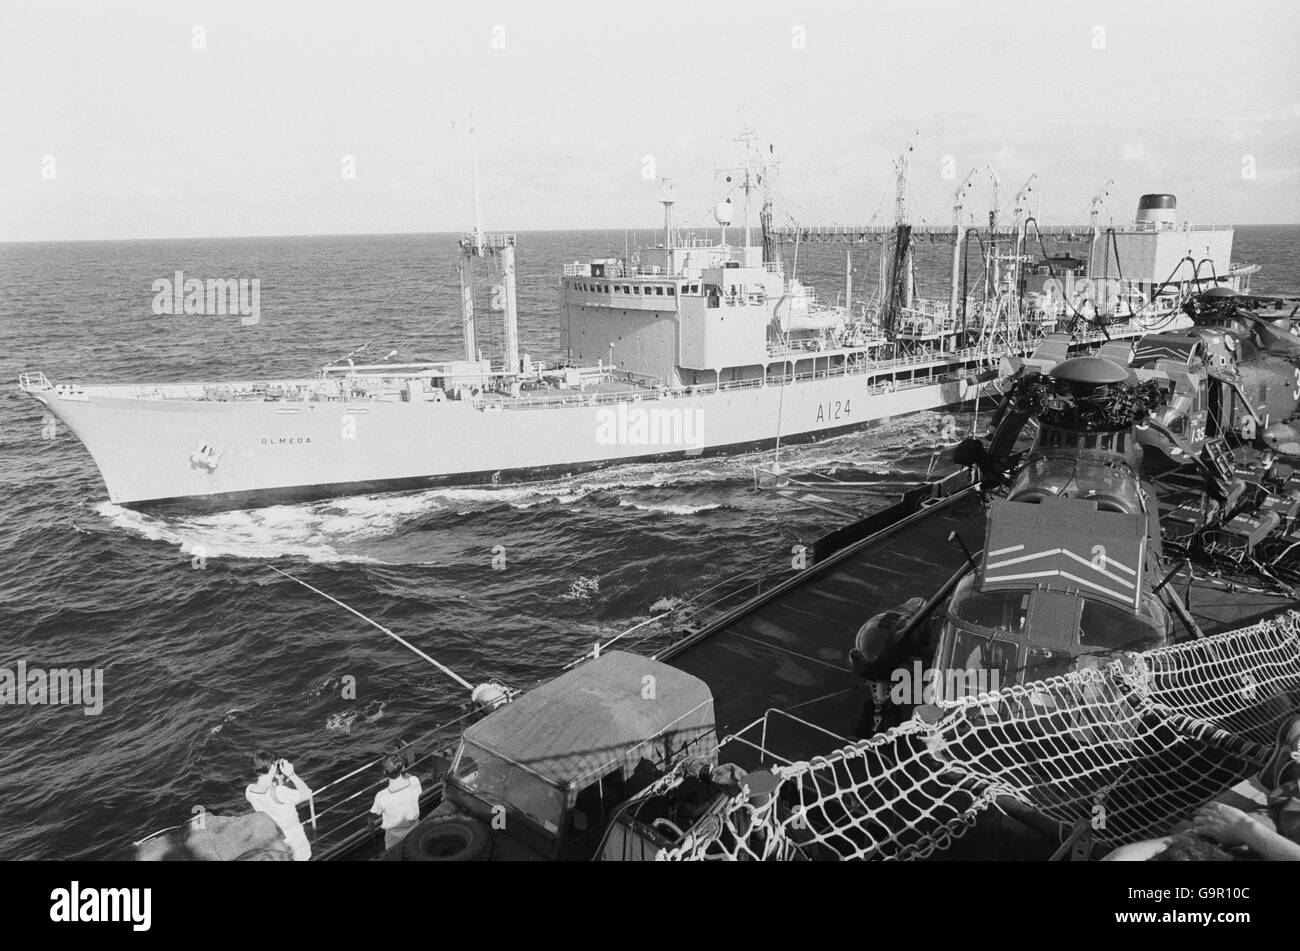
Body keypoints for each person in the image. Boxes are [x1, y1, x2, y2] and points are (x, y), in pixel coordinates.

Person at [245, 751, 314, 862]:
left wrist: (277, 781)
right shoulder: (280, 792)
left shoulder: (249, 791)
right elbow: (307, 794)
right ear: (272, 767)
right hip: (295, 844)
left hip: (276, 845)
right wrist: (291, 774)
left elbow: (271, 800)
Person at [369, 754, 422, 849]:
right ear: (403, 768)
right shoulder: (414, 781)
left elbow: (373, 816)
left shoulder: (381, 796)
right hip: (415, 827)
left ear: (384, 772)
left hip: (394, 836)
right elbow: (408, 777)